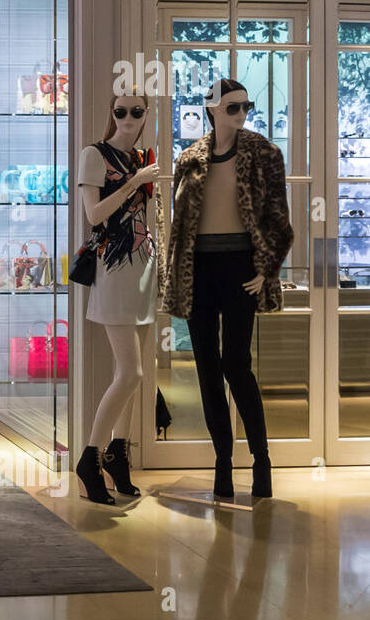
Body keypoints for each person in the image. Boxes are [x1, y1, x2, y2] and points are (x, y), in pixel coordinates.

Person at [160, 79, 293, 500]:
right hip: (198, 268)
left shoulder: (265, 153)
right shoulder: (190, 159)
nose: (240, 114)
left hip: (241, 269)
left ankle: (261, 460)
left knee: (236, 364)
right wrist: (173, 274)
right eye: (232, 107)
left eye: (245, 107)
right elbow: (179, 229)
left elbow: (280, 223)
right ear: (212, 108)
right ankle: (222, 461)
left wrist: (266, 268)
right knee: (205, 368)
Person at [75, 89, 160, 504]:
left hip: (144, 267)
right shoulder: (96, 155)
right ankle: (90, 456)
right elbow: (94, 215)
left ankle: (118, 455)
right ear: (112, 114)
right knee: (131, 373)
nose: (128, 117)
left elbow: (150, 217)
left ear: (146, 115)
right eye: (121, 111)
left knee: (136, 375)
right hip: (113, 269)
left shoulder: (144, 158)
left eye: (136, 111)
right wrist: (135, 182)